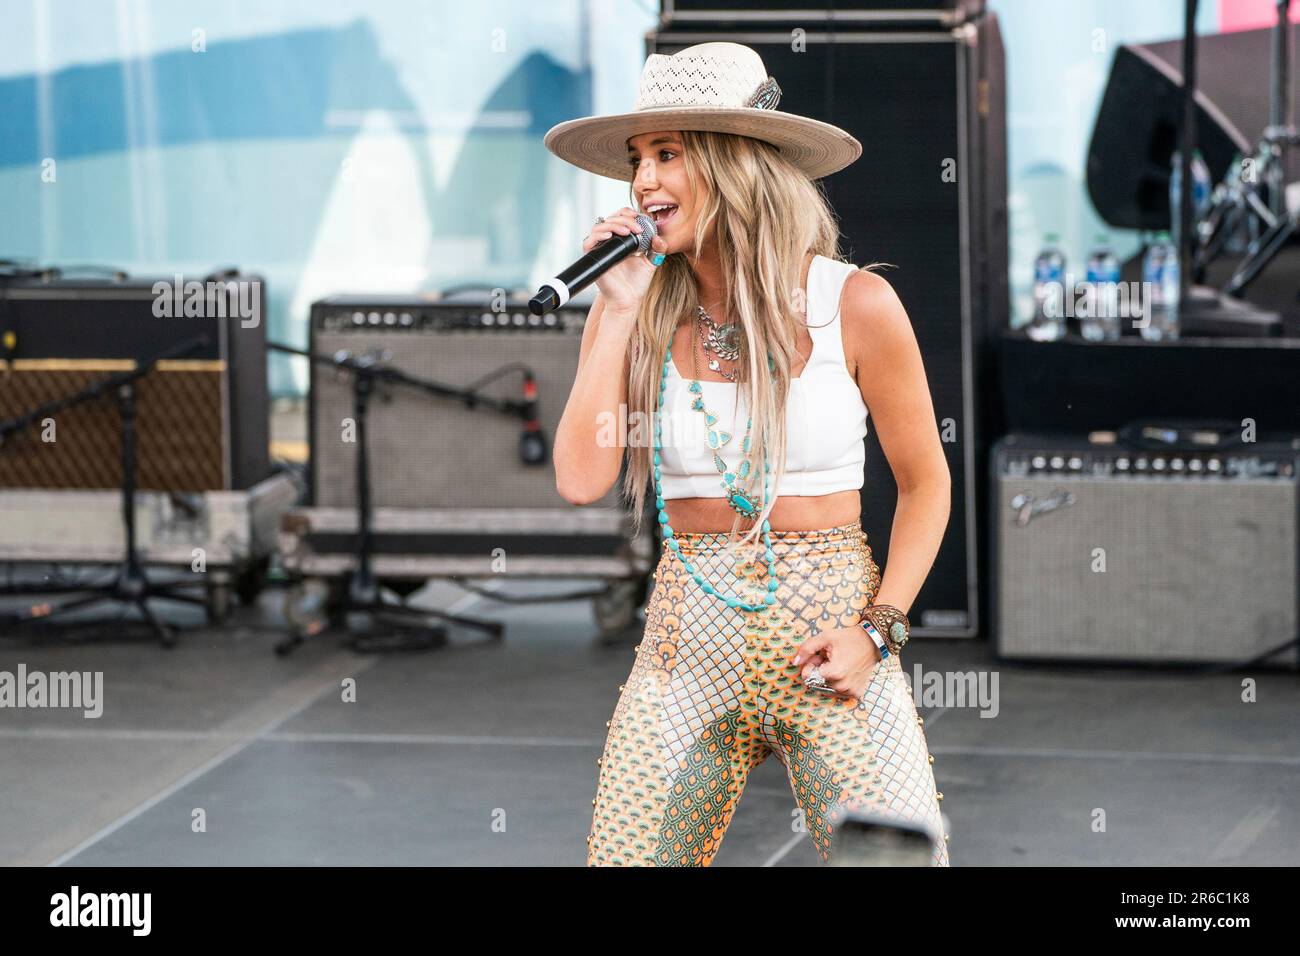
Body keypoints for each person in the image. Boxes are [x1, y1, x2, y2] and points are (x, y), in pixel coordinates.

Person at [548, 41, 951, 867]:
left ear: (739, 166)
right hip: (685, 649)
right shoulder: (637, 309)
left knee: (900, 864)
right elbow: (579, 479)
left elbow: (926, 484)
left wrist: (878, 633)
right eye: (638, 160)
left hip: (830, 639)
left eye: (670, 154)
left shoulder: (856, 304)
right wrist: (617, 311)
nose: (646, 182)